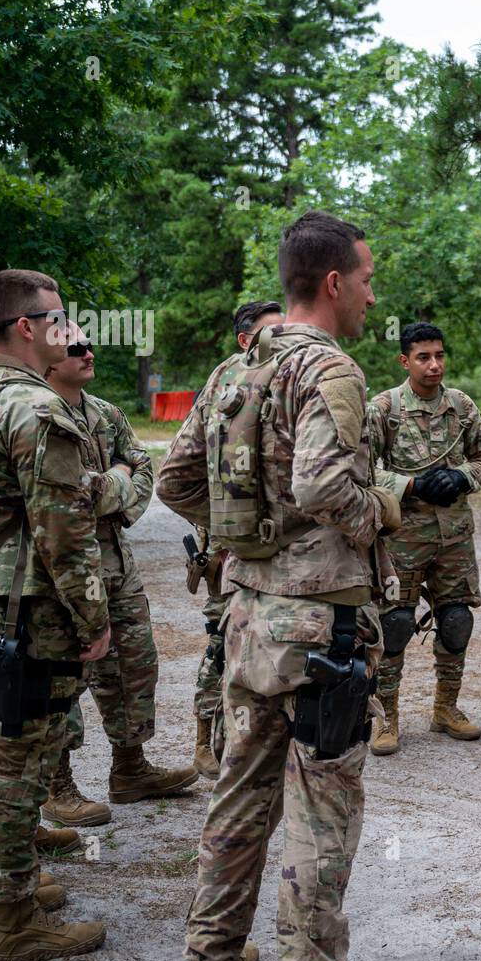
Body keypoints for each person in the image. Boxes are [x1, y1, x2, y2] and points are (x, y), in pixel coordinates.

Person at [158, 211, 405, 961]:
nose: (371, 297)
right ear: (334, 283)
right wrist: (387, 510)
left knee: (240, 791)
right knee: (322, 804)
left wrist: (247, 542)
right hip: (321, 627)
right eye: (367, 280)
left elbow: (175, 484)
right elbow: (324, 487)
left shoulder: (237, 372)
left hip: (249, 618)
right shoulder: (331, 371)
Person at [0, 269, 111, 961]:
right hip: (29, 612)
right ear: (26, 327)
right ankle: (14, 923)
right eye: (58, 319)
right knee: (19, 757)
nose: (67, 332)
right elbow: (64, 532)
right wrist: (94, 618)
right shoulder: (34, 410)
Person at [40, 337, 197, 827]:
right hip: (60, 568)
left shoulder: (106, 414)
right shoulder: (36, 416)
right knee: (61, 676)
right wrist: (113, 481)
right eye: (76, 348)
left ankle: (130, 768)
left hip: (115, 564)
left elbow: (143, 468)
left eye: (90, 346)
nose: (88, 354)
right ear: (46, 356)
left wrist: (111, 489)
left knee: (133, 662)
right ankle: (57, 783)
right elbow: (71, 496)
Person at [367, 322, 481, 753]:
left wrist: (460, 478)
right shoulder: (384, 408)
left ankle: (446, 708)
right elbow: (362, 467)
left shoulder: (462, 406)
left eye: (439, 355)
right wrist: (412, 485)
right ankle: (386, 718)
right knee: (395, 624)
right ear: (405, 360)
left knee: (457, 621)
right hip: (402, 536)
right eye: (424, 357)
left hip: (454, 535)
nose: (434, 364)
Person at [184, 300, 285, 778]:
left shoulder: (286, 376)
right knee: (220, 636)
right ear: (245, 340)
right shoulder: (226, 382)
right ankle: (204, 738)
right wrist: (222, 523)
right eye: (271, 333)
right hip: (228, 540)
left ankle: (253, 738)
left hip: (271, 535)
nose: (281, 340)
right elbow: (181, 474)